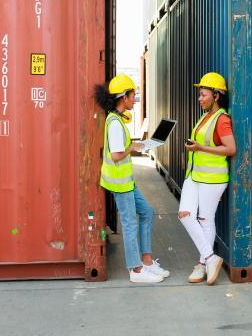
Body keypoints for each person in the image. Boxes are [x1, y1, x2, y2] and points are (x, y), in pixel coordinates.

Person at [96, 74, 170, 283]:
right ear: (123, 96)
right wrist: (134, 147)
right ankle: (135, 270)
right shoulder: (114, 124)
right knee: (129, 224)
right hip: (120, 184)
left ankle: (146, 261)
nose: (134, 99)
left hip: (126, 181)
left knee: (147, 212)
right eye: (132, 95)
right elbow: (117, 155)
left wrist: (137, 146)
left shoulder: (117, 119)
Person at [179, 72, 236, 285]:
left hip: (212, 179)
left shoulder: (222, 119)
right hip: (194, 176)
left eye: (203, 95)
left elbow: (231, 148)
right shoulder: (205, 116)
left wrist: (200, 147)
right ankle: (211, 258)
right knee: (185, 214)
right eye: (200, 95)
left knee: (205, 220)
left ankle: (203, 264)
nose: (199, 98)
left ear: (216, 96)